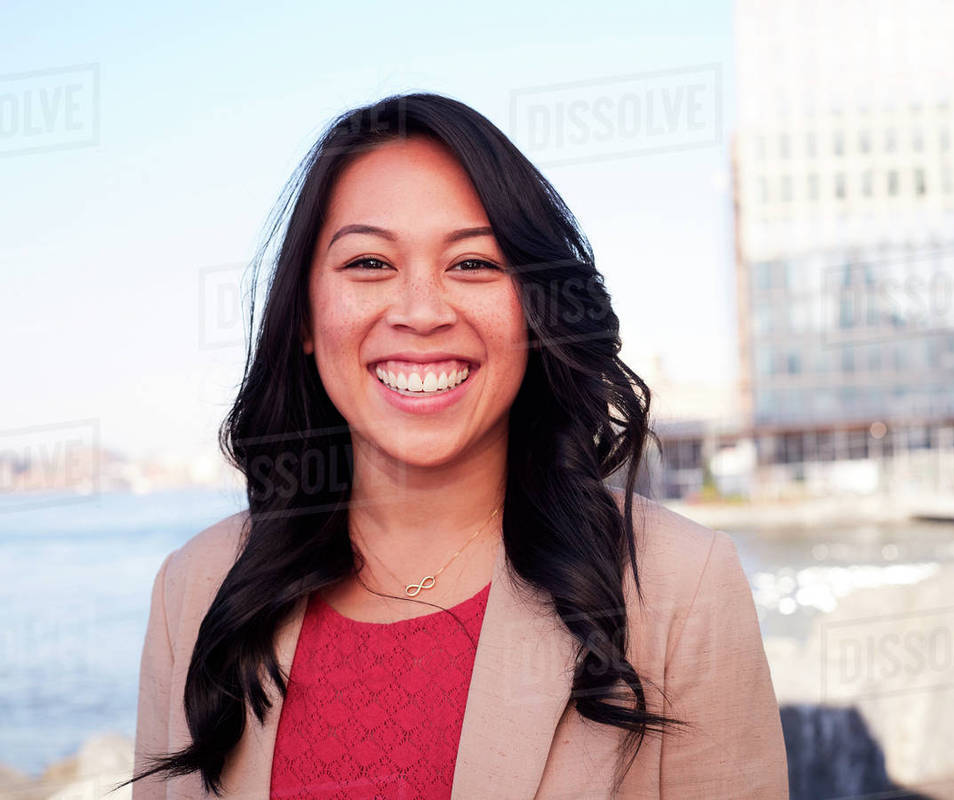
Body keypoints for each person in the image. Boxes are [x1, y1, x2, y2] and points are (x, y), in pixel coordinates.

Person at [121, 92, 788, 799]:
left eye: (472, 264)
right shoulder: (194, 590)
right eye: (369, 263)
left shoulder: (680, 587)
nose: (421, 312)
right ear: (305, 317)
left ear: (534, 310)